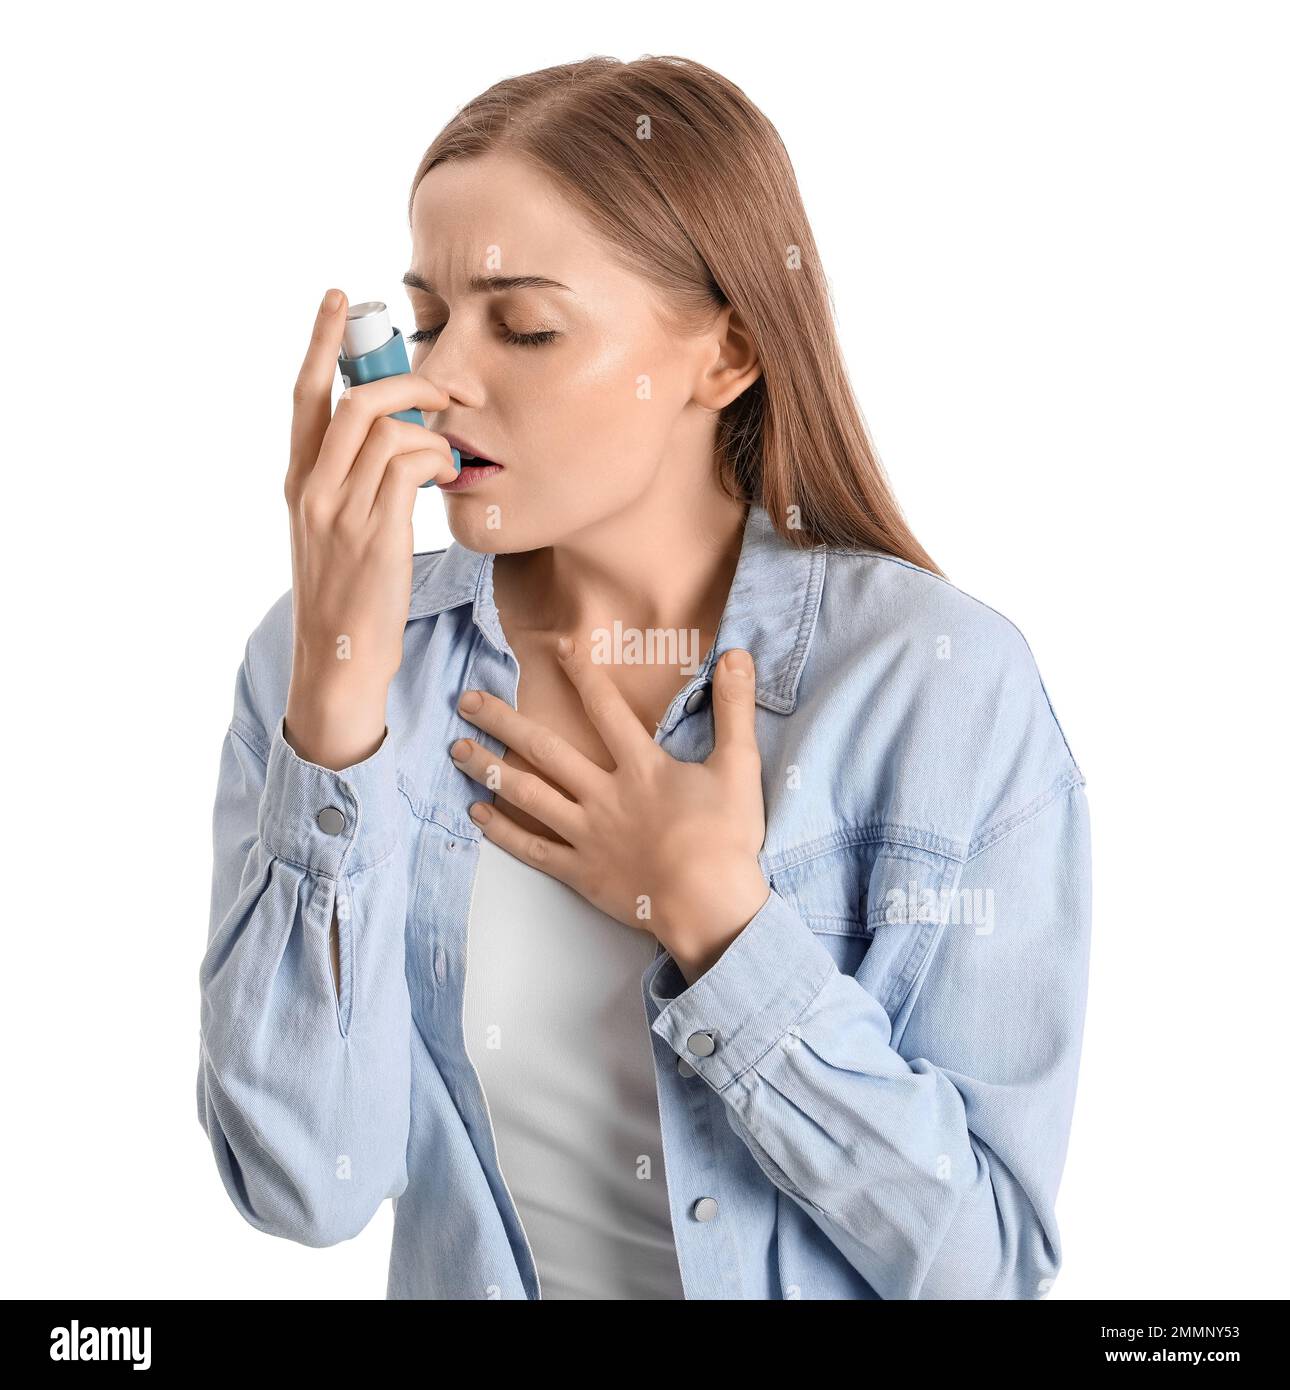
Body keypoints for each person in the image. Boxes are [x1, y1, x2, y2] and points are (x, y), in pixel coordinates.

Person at [196, 54, 1091, 1300]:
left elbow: (984, 1274)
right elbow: (305, 1185)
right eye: (431, 316)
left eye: (527, 326)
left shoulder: (937, 691)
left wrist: (724, 931)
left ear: (724, 354)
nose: (444, 376)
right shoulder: (327, 668)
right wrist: (338, 712)